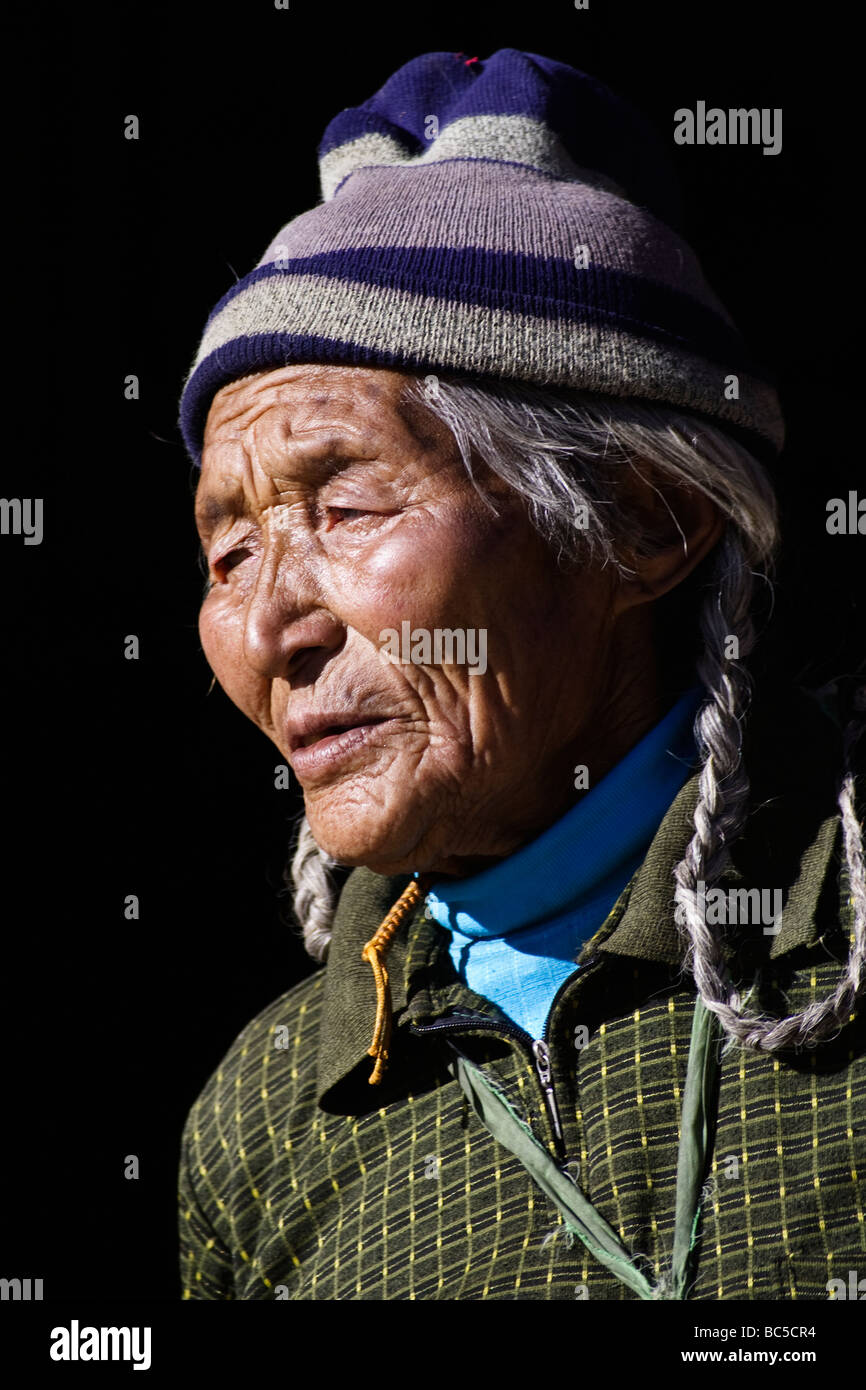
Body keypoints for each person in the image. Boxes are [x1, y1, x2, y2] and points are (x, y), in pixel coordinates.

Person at [176, 49, 865, 1301]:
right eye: (227, 549)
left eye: (342, 506)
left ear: (642, 522)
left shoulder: (842, 945)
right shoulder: (264, 1128)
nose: (269, 626)